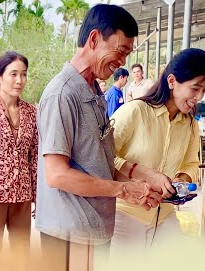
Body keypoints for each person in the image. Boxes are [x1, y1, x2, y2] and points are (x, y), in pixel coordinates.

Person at [37, 5, 160, 244]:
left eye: (127, 54)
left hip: (95, 232)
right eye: (120, 50)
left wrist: (135, 187)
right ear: (94, 39)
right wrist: (122, 190)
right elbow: (57, 175)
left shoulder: (94, 92)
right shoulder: (62, 94)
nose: (122, 61)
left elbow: (97, 165)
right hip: (68, 236)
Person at [111, 48, 205, 243]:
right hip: (124, 214)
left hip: (164, 214)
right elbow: (103, 157)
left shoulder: (190, 125)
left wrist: (180, 181)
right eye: (195, 88)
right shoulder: (135, 112)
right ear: (171, 81)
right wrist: (141, 173)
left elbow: (191, 163)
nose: (200, 97)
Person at [0, 51, 37, 243]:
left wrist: (37, 195)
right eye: (13, 74)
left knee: (21, 255)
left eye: (24, 74)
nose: (20, 80)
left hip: (23, 194)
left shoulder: (31, 112)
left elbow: (34, 156)